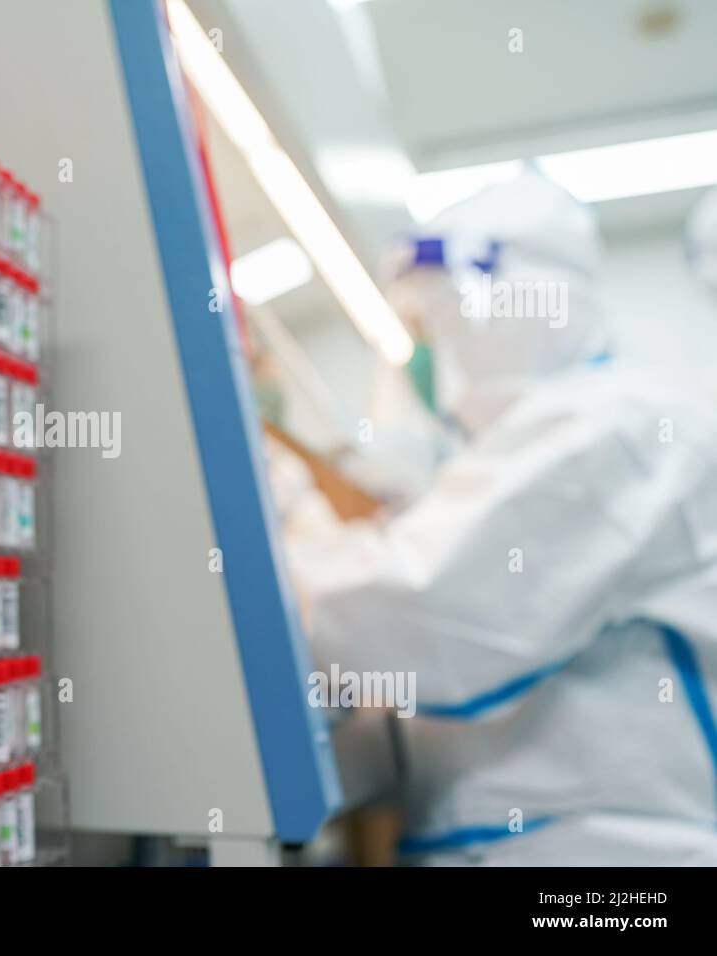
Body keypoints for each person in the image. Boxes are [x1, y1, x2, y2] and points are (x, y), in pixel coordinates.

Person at [286, 172, 717, 864]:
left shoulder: (619, 425)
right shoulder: (548, 435)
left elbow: (427, 605)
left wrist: (261, 563)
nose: (424, 353)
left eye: (433, 321)